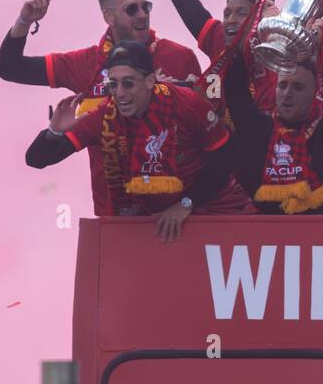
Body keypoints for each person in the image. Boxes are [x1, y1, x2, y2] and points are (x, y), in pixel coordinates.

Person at [0, 0, 202, 215]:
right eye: (131, 9)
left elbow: (206, 135)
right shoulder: (86, 64)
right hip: (116, 220)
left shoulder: (179, 56)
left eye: (146, 6)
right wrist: (24, 21)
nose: (142, 14)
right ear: (109, 17)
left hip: (179, 216)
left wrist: (189, 203)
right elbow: (9, 67)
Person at [24, 41, 247, 239]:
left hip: (210, 210)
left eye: (128, 83)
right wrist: (54, 131)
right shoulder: (105, 116)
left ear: (150, 81)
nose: (119, 93)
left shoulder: (186, 103)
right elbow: (36, 159)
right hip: (151, 223)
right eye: (113, 84)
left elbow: (228, 156)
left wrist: (185, 205)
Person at [223, 55, 323, 214]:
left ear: (316, 93)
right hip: (271, 234)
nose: (287, 94)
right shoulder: (261, 129)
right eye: (282, 85)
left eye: (298, 87)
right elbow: (235, 90)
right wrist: (244, 48)